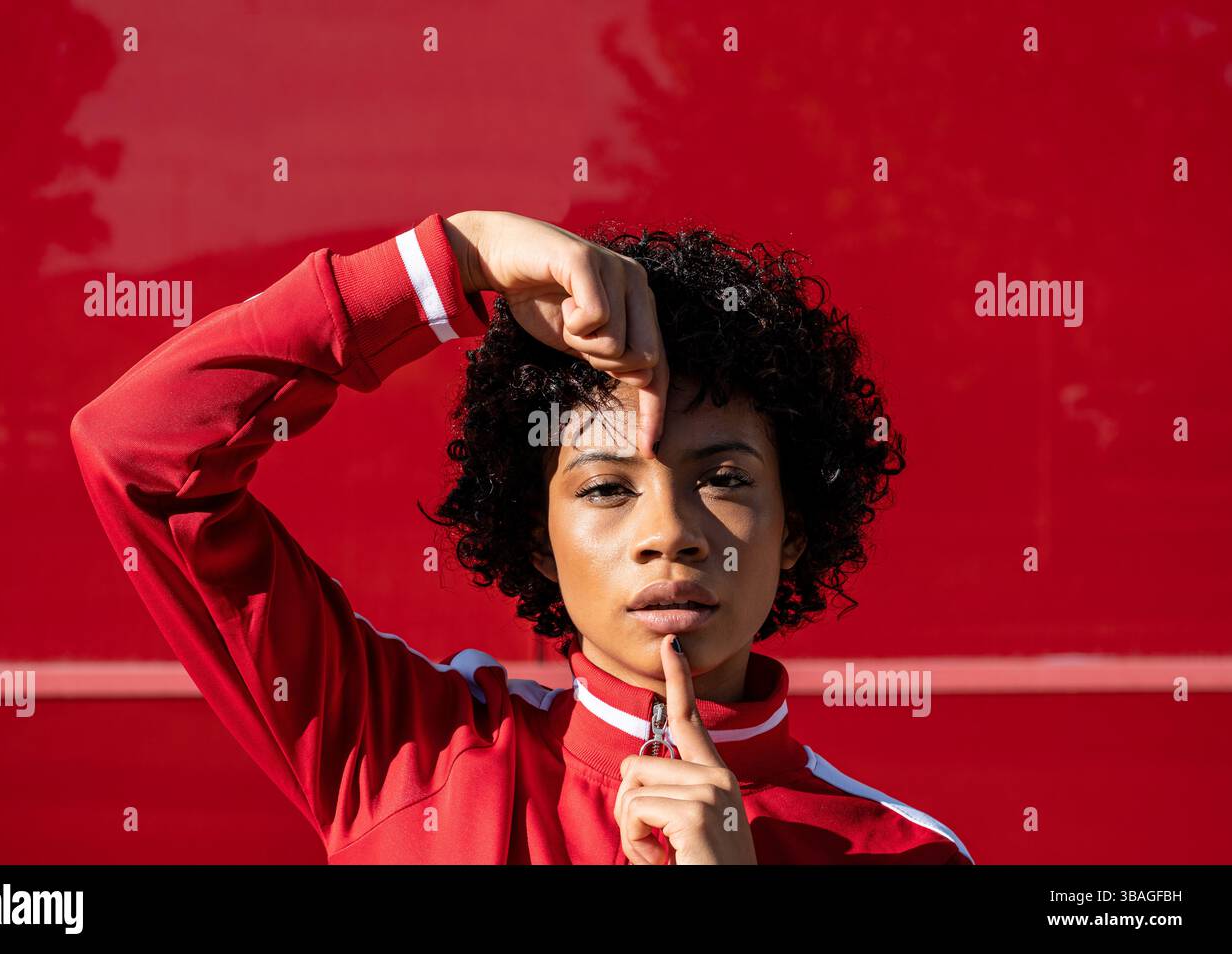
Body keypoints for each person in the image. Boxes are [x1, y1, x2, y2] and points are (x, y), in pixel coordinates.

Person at [70, 209, 973, 865]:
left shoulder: (906, 853)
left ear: (796, 532)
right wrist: (455, 258)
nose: (670, 534)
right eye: (608, 487)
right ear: (537, 539)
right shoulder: (411, 752)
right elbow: (140, 451)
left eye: (725, 479)